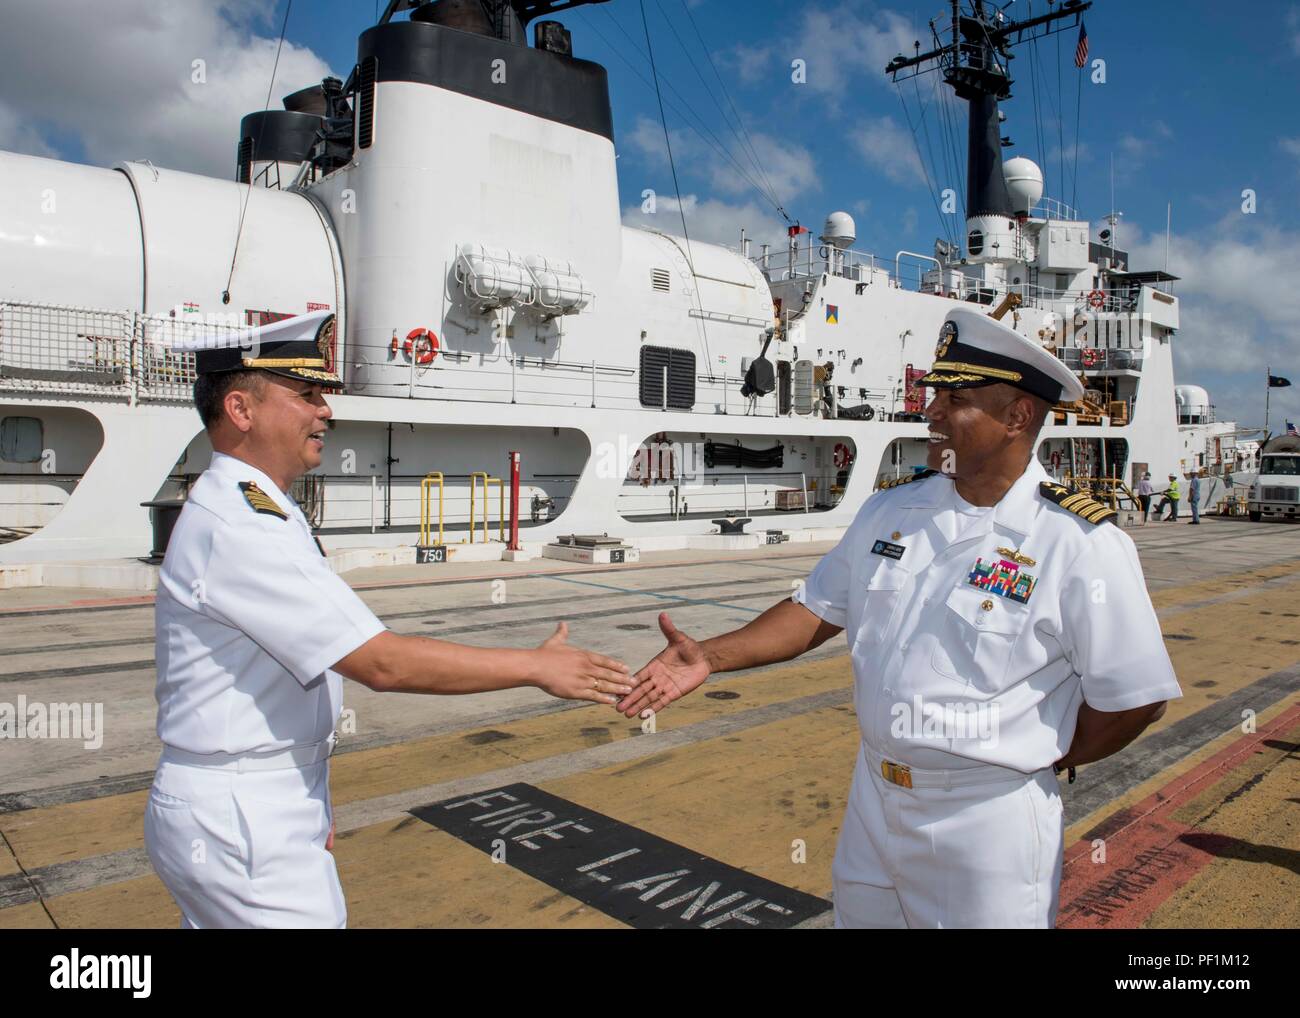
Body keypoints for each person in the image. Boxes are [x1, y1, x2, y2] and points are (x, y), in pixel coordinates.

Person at [618, 306, 1181, 928]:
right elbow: (816, 609)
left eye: (955, 398)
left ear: (1017, 416)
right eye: (935, 394)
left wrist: (1027, 758)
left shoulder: (1078, 542)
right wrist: (710, 656)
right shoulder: (893, 510)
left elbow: (1134, 698)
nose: (932, 411)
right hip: (874, 798)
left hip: (984, 824)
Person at [145, 310, 631, 928]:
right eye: (307, 395)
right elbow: (381, 662)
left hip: (254, 799)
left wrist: (307, 798)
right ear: (241, 410)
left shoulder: (259, 508)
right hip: (243, 814)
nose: (325, 411)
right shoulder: (242, 525)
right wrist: (535, 667)